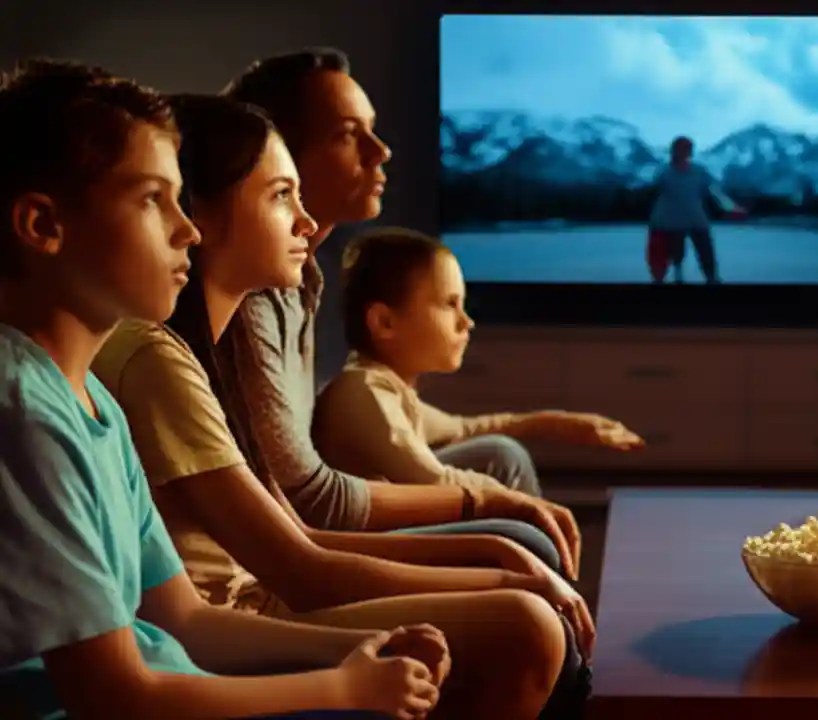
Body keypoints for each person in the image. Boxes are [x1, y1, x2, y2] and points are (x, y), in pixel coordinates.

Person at [90, 94, 581, 718]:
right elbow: (298, 566)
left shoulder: (216, 345)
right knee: (525, 618)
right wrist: (503, 569)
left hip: (258, 599)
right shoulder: (156, 357)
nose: (305, 222)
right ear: (202, 215)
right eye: (279, 196)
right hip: (244, 616)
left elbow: (298, 536)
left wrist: (499, 554)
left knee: (520, 572)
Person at [0, 58, 445, 720]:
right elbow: (117, 695)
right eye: (153, 200)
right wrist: (341, 688)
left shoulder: (91, 402)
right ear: (43, 226)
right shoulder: (25, 416)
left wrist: (358, 646)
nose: (189, 230)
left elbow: (184, 616)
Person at [218, 48, 589, 577]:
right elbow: (308, 497)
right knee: (521, 534)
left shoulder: (301, 283)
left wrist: (544, 431)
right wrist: (478, 502)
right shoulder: (251, 297)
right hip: (300, 542)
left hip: (322, 515)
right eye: (349, 135)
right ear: (276, 155)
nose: (381, 151)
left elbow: (460, 430)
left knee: (499, 457)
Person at [313, 227, 644, 496]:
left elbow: (467, 429)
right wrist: (523, 505)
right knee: (503, 462)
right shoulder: (364, 392)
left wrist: (558, 425)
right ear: (385, 322)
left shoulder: (388, 390)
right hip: (377, 547)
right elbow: (434, 483)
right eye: (450, 304)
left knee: (499, 454)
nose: (466, 322)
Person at [647, 135, 746, 284]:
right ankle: (678, 277)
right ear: (673, 151)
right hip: (671, 220)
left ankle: (711, 278)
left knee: (706, 252)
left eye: (686, 149)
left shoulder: (699, 172)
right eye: (679, 149)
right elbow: (652, 193)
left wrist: (731, 207)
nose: (682, 153)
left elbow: (715, 192)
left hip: (696, 219)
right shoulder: (664, 172)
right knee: (676, 254)